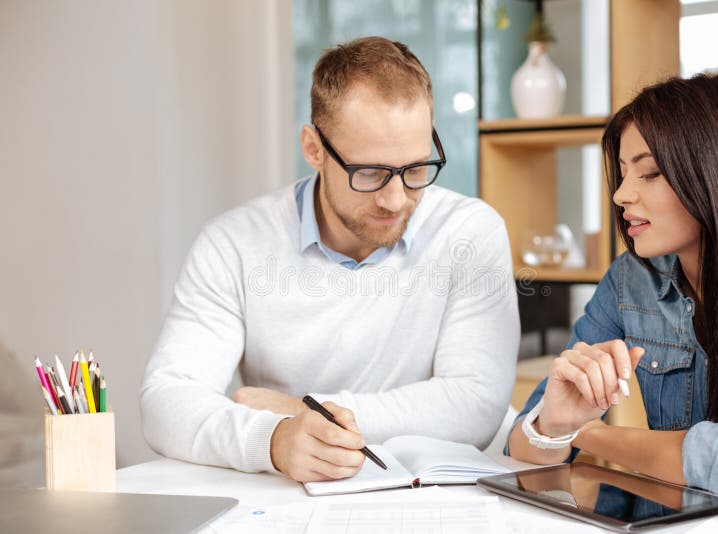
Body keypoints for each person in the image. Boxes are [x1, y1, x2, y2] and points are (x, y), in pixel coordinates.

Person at [141, 36, 519, 483]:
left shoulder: (470, 232)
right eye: (371, 173)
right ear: (314, 149)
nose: (396, 199)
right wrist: (276, 439)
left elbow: (475, 406)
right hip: (298, 500)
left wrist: (303, 410)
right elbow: (166, 401)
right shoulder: (233, 244)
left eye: (416, 169)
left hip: (445, 493)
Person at [507, 70, 718, 534]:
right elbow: (523, 449)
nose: (622, 195)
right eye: (623, 172)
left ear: (717, 174)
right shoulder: (631, 280)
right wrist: (553, 424)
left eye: (650, 172)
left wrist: (586, 432)